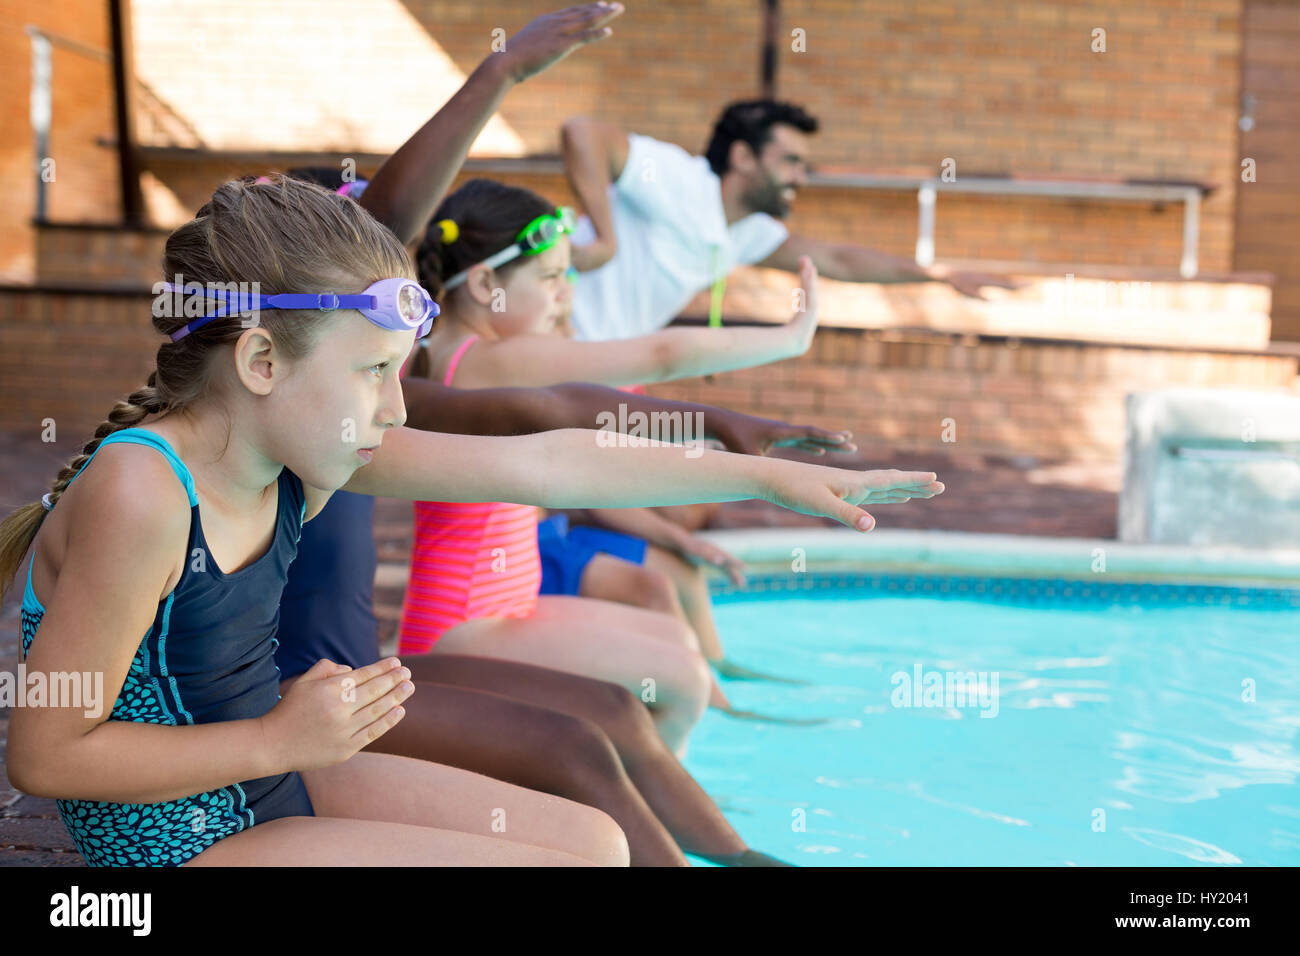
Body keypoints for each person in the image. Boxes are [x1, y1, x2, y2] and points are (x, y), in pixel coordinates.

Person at [0, 175, 943, 867]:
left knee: (596, 844)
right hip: (178, 840)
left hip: (271, 771)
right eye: (375, 373)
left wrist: (759, 478)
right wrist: (277, 741)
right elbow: (45, 755)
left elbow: (546, 456)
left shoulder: (300, 452)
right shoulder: (146, 493)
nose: (397, 408)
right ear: (259, 362)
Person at [561, 98, 1019, 342]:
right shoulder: (680, 178)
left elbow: (840, 260)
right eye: (790, 162)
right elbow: (582, 134)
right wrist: (605, 240)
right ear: (742, 157)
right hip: (555, 343)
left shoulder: (747, 231)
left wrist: (937, 275)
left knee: (690, 505)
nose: (801, 176)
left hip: (604, 364)